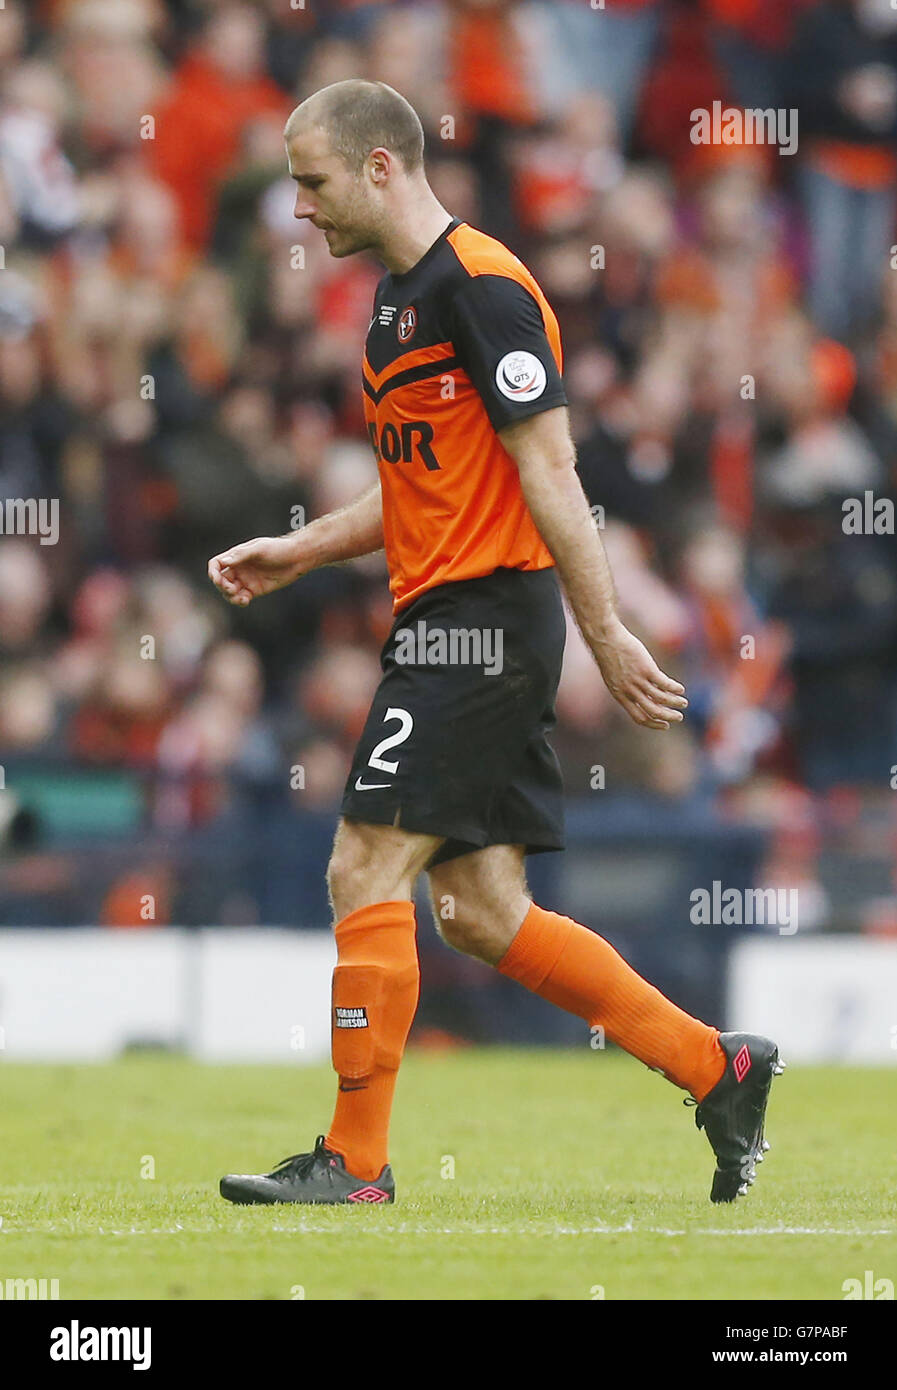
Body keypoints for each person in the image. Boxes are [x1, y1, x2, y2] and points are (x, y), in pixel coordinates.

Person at [208, 79, 782, 1207]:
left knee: (361, 859)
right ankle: (720, 1067)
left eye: (312, 182)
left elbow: (551, 469)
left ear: (382, 167)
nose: (300, 209)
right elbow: (417, 486)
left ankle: (355, 1166)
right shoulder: (393, 307)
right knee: (479, 914)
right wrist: (301, 549)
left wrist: (605, 629)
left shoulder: (485, 288)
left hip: (481, 623)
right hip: (448, 613)